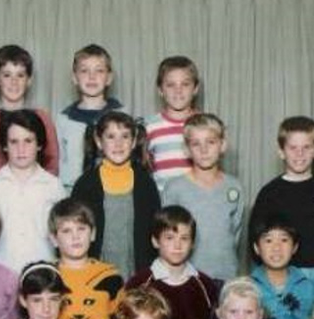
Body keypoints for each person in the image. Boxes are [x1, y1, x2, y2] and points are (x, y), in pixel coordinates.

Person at [248, 116, 314, 292]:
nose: (300, 154)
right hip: (283, 277)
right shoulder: (269, 193)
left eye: (306, 147)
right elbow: (255, 242)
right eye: (293, 148)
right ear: (281, 151)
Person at [125, 205, 219, 319]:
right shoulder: (139, 284)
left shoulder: (206, 285)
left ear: (192, 243)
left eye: (184, 238)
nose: (177, 245)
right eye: (169, 238)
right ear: (155, 241)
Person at [70, 110, 161, 277]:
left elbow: (155, 231)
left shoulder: (145, 183)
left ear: (134, 142)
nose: (118, 144)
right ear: (99, 141)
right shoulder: (85, 185)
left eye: (125, 136)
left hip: (137, 273)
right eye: (111, 137)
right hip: (96, 274)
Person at [0, 109, 65, 274]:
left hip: (44, 278)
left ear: (39, 144)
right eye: (14, 142)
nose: (21, 149)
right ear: (5, 145)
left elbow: (63, 236)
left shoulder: (54, 186)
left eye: (28, 141)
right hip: (1, 274)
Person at [162, 113, 245, 281]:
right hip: (187, 278)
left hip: (227, 276)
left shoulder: (234, 187)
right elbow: (167, 236)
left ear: (222, 145)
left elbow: (235, 232)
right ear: (187, 150)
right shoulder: (175, 188)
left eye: (211, 142)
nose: (204, 150)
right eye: (196, 144)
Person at [0, 45, 59, 188]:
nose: (14, 82)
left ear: (29, 80)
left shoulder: (42, 118)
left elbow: (51, 160)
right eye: (7, 75)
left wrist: (44, 189)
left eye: (20, 75)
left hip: (34, 191)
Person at [50, 198, 123, 319]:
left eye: (81, 229)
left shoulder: (110, 276)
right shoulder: (48, 276)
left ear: (93, 233)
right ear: (54, 239)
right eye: (66, 231)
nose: (75, 237)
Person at [55, 44, 125, 191]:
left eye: (99, 70)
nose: (92, 77)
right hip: (72, 192)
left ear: (109, 78)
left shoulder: (122, 116)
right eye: (84, 70)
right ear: (74, 78)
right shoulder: (63, 120)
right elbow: (58, 163)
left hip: (113, 190)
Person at [144, 56, 200, 192]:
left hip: (198, 199)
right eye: (170, 85)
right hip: (162, 201)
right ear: (160, 90)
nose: (178, 90)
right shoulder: (149, 127)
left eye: (185, 84)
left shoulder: (205, 125)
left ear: (195, 88)